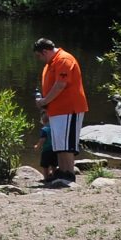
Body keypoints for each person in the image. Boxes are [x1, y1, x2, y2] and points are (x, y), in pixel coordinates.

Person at [33, 37, 88, 184]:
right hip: (56, 110)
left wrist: (44, 101)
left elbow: (60, 85)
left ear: (45, 51)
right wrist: (46, 106)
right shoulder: (51, 63)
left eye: (39, 56)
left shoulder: (64, 59)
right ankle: (62, 171)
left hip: (70, 108)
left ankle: (69, 173)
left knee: (67, 143)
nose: (39, 59)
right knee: (59, 143)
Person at [34, 111, 56, 180]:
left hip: (46, 150)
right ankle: (54, 176)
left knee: (45, 165)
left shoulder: (44, 130)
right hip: (55, 149)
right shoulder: (54, 128)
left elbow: (42, 140)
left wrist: (37, 147)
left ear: (42, 121)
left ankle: (46, 178)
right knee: (54, 164)